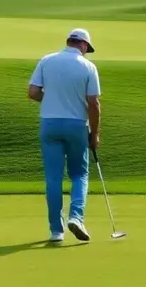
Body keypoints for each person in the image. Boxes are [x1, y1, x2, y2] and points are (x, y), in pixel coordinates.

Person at [27, 28, 101, 243]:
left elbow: (33, 92)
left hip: (49, 124)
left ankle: (56, 231)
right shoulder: (88, 67)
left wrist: (51, 99)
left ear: (69, 42)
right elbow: (94, 104)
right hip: (76, 125)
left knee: (53, 178)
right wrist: (95, 133)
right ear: (84, 45)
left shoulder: (47, 60)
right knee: (79, 174)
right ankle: (76, 217)